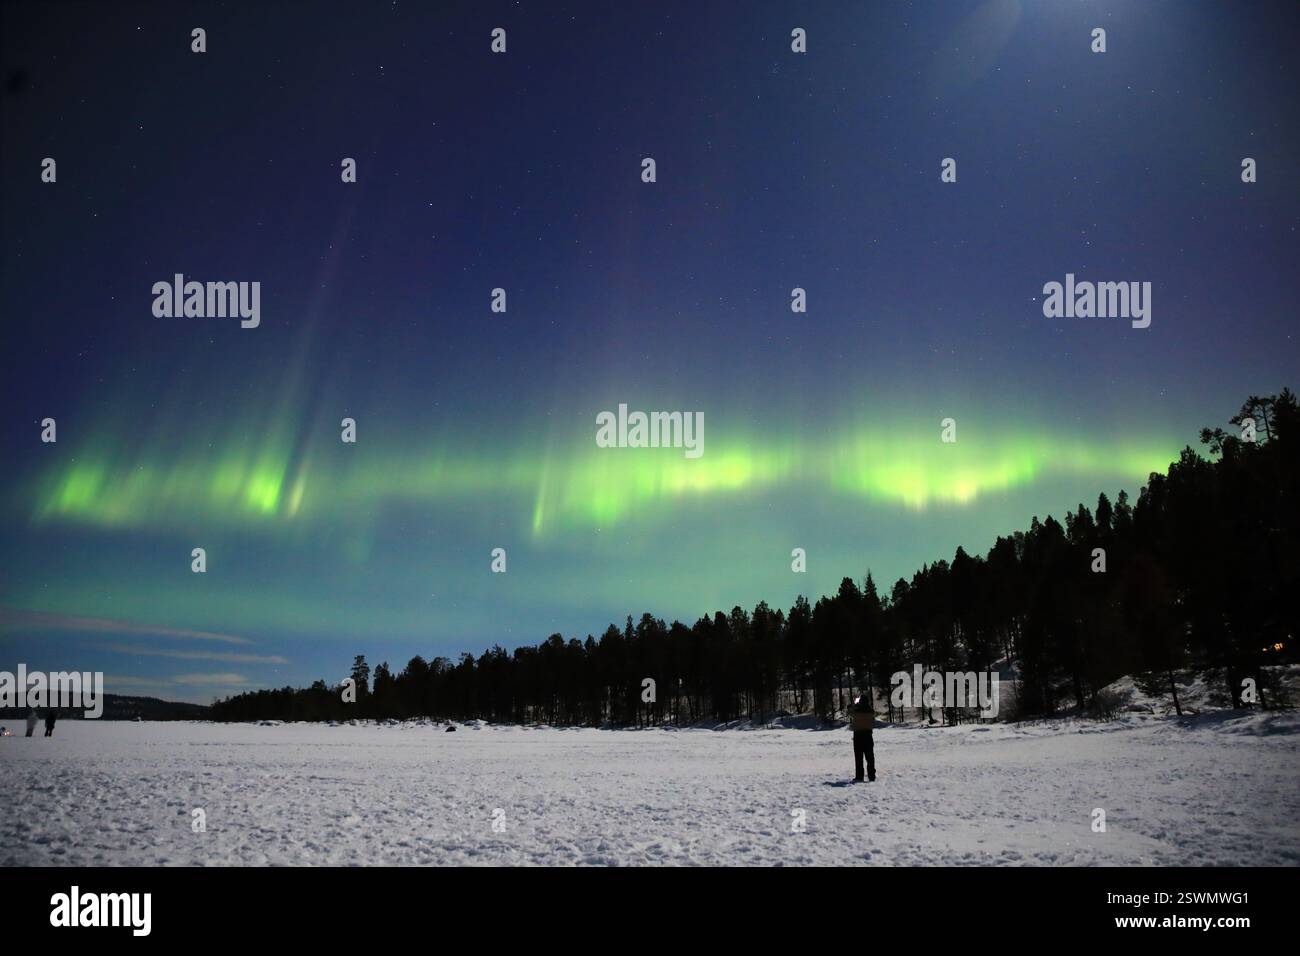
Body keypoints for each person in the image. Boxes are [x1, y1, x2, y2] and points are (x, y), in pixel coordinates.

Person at [850, 695, 875, 782]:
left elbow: (850, 712)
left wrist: (855, 705)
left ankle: (859, 776)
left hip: (858, 737)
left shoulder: (856, 711)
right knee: (870, 758)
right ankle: (872, 776)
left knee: (859, 758)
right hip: (868, 736)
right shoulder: (870, 711)